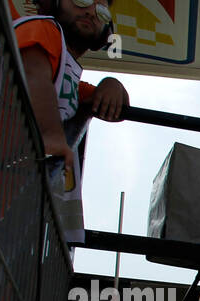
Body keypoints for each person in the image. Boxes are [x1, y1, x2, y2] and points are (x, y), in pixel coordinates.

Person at [14, 0, 130, 243]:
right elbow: (32, 72)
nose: (90, 11)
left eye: (101, 11)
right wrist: (52, 136)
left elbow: (114, 106)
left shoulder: (65, 76)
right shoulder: (43, 28)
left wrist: (113, 84)